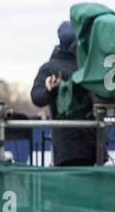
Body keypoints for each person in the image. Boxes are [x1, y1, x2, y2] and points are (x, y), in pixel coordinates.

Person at [30, 20, 104, 166]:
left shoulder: (89, 66)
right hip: (68, 147)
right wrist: (51, 90)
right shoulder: (49, 68)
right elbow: (37, 97)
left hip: (94, 143)